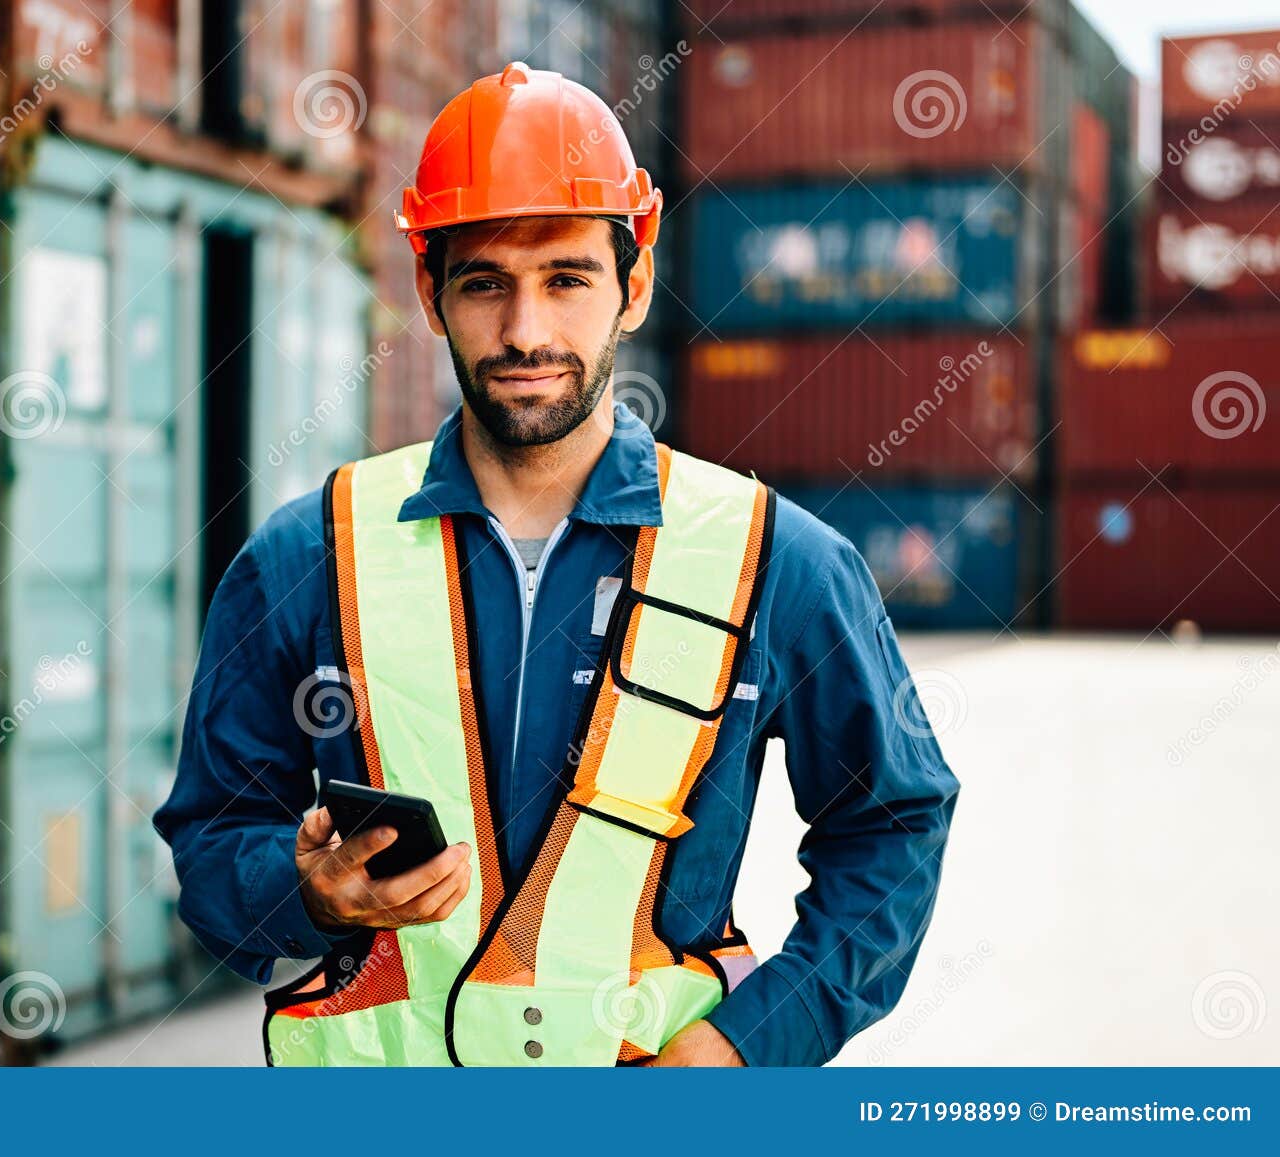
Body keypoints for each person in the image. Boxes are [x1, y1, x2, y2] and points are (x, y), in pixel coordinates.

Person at [153, 62, 959, 1067]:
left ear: (634, 284)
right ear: (429, 292)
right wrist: (305, 889)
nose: (526, 331)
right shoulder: (306, 556)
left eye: (566, 278)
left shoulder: (777, 560)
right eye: (484, 282)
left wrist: (751, 1040)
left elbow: (894, 821)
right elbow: (212, 842)